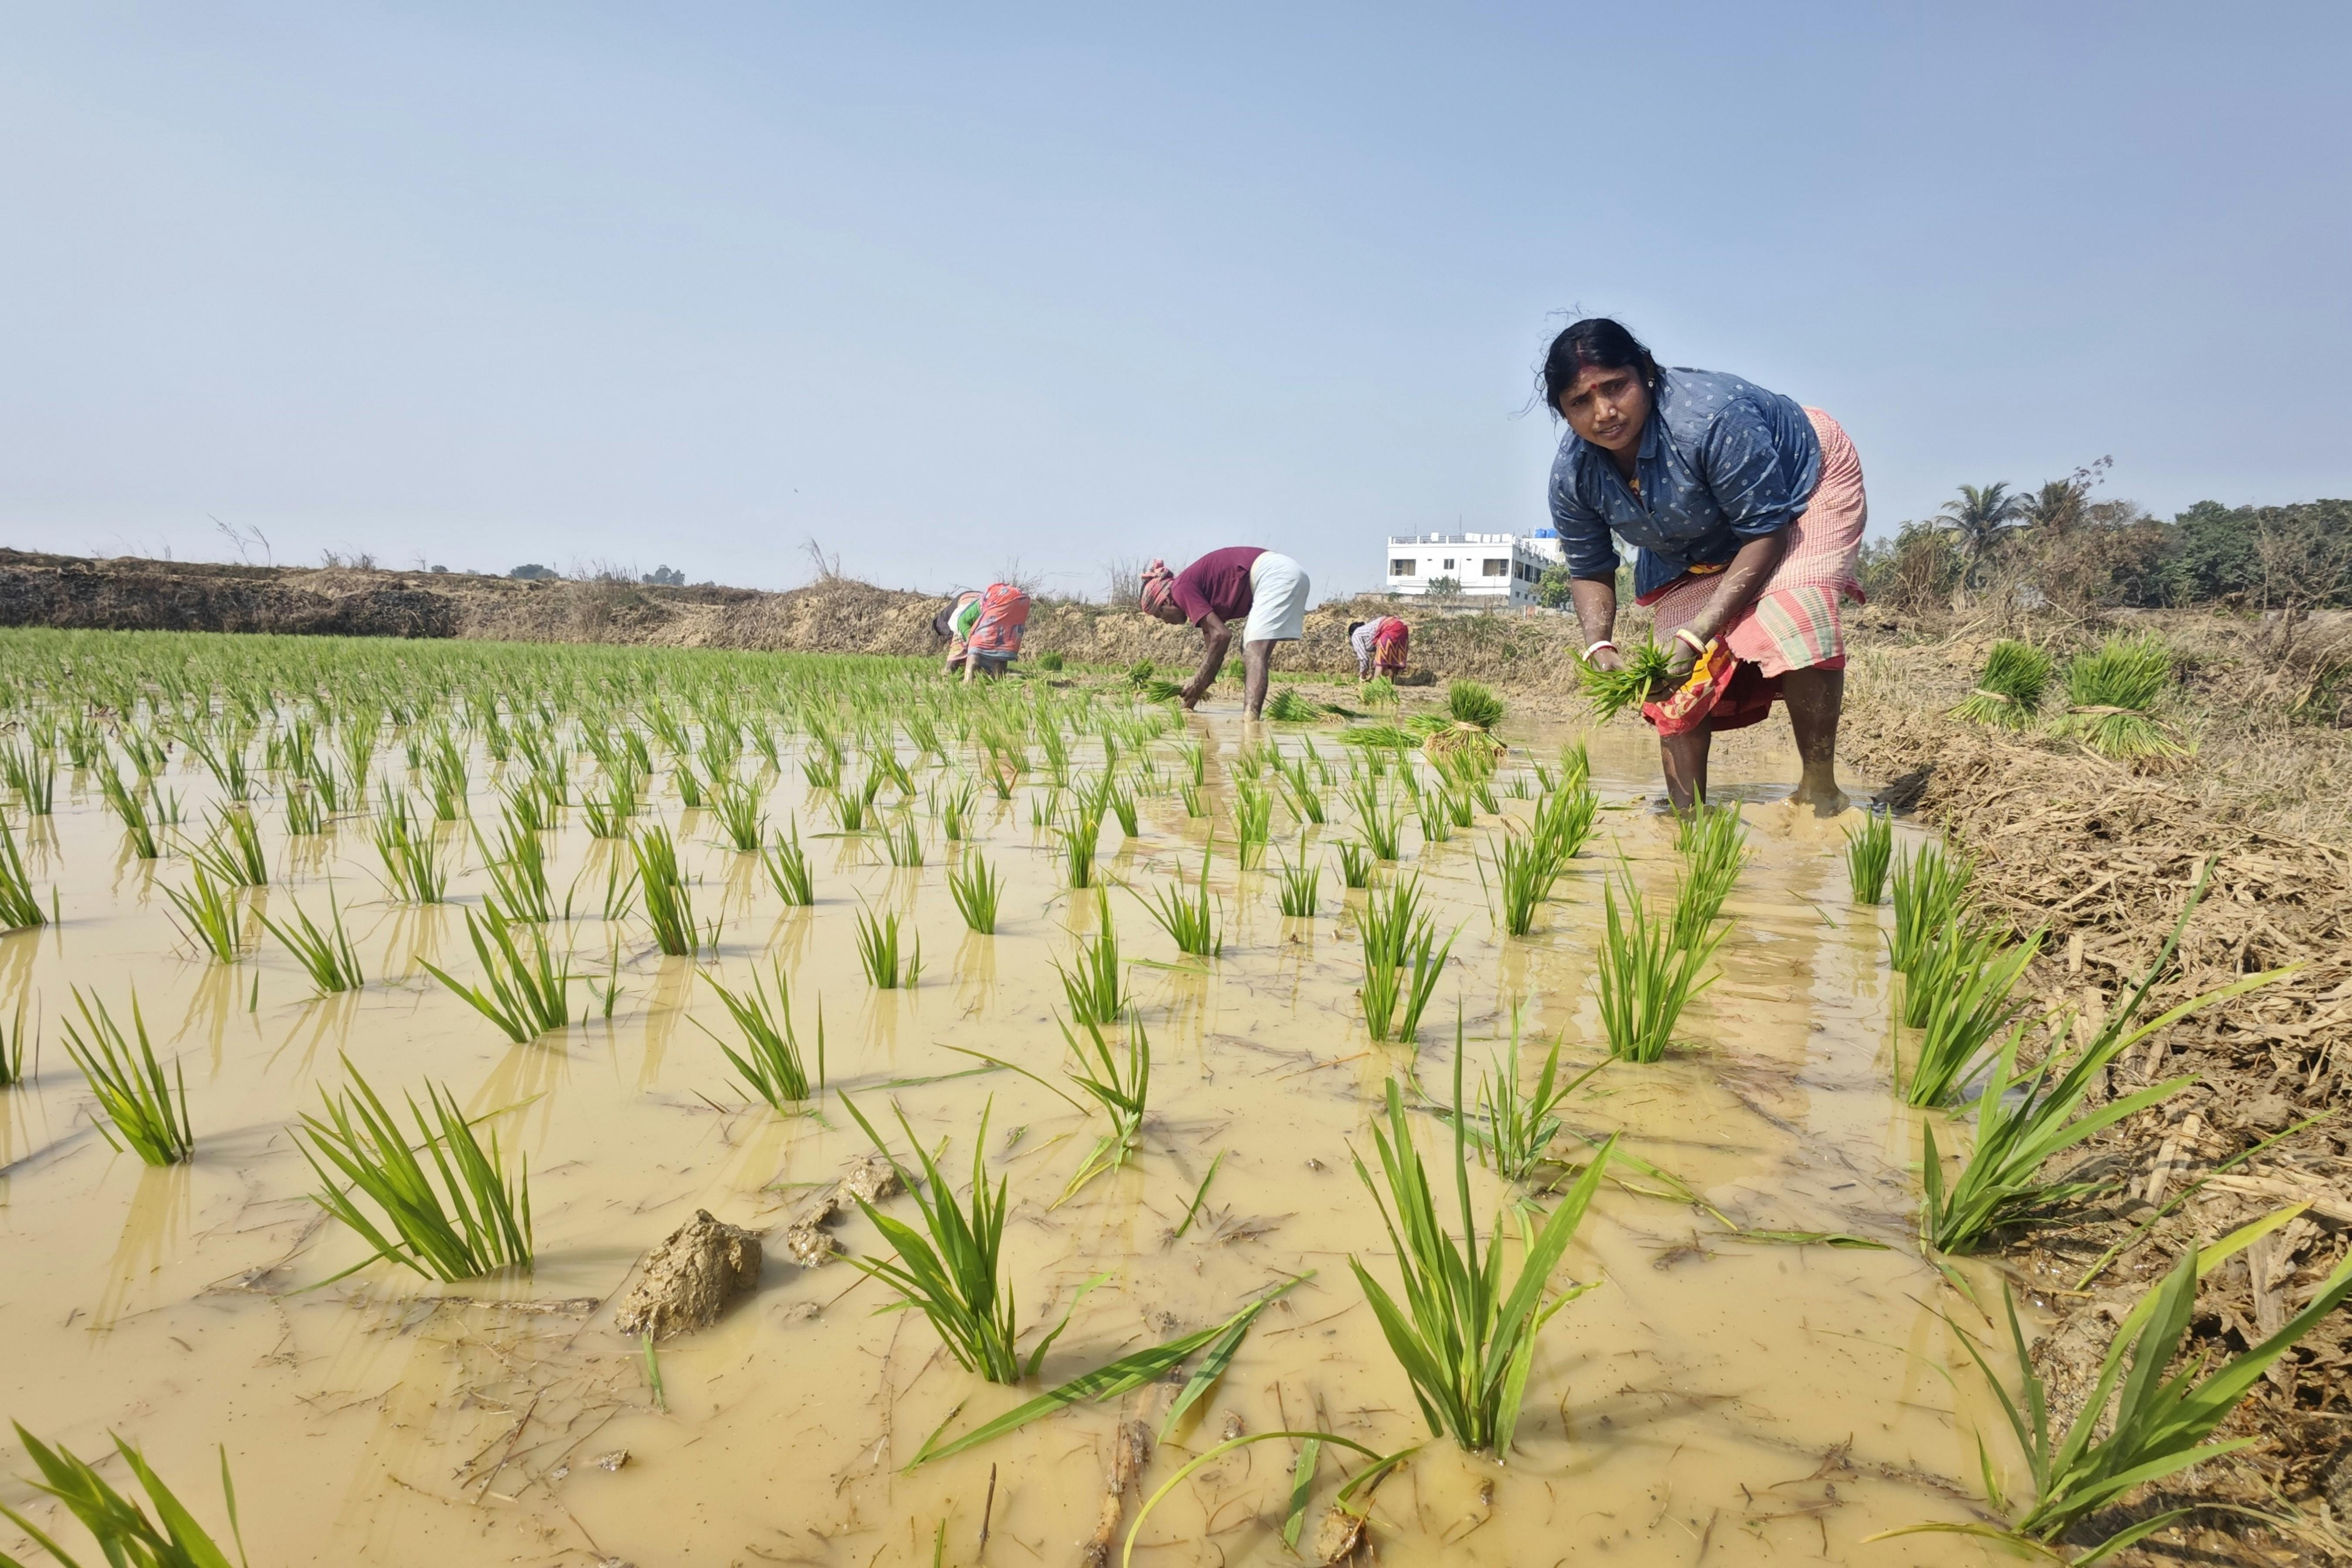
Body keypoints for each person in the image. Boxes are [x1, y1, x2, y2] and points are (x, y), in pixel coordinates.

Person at [1543, 318, 1866, 815]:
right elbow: (1589, 567)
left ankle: (1819, 788)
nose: (1604, 412)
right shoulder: (1574, 475)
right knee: (1672, 682)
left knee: (1798, 613)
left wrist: (1698, 634)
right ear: (1563, 413)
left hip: (1798, 486)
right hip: (1692, 535)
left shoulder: (1713, 418)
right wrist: (1598, 644)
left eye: (1616, 387)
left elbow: (1765, 531)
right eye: (1580, 402)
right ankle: (1686, 816)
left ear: (1645, 371)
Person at [1139, 547, 1311, 719]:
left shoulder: (1180, 589)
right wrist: (1188, 705)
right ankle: (1251, 719)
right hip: (1290, 574)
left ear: (1167, 600)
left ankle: (1250, 723)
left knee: (1254, 652)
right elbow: (1213, 658)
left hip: (1274, 574)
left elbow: (1222, 636)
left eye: (1160, 615)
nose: (1166, 622)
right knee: (1251, 649)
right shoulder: (1196, 594)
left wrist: (1197, 680)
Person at [933, 583, 1032, 681]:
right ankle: (997, 679)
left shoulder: (955, 619)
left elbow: (961, 624)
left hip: (997, 601)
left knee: (964, 645)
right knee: (1001, 645)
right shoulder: (977, 604)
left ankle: (965, 682)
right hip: (1021, 600)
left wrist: (970, 640)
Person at [1349, 615, 1410, 679]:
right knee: (1396, 658)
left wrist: (1363, 675)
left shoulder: (1355, 635)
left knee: (1380, 663)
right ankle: (1390, 682)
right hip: (1402, 627)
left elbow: (1364, 658)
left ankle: (1377, 683)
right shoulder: (1370, 629)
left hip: (1389, 628)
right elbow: (1384, 655)